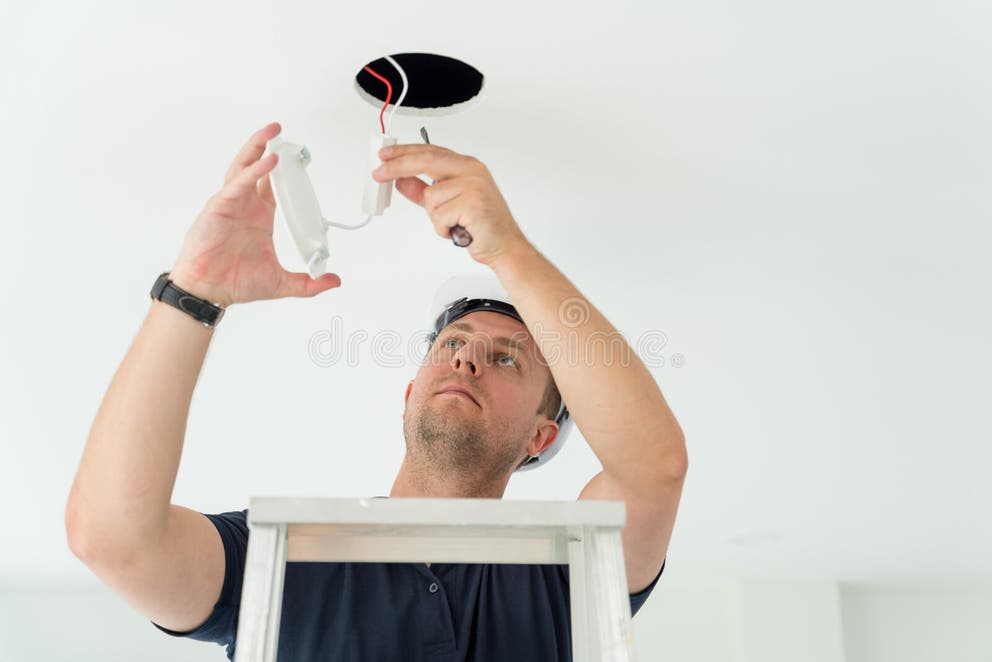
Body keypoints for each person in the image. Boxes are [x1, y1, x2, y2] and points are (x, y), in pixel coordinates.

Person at [65, 122, 688, 661]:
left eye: (506, 359)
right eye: (452, 344)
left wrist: (511, 254)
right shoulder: (288, 559)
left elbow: (652, 471)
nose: (467, 358)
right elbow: (115, 540)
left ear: (540, 435)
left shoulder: (565, 576)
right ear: (411, 391)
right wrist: (192, 294)